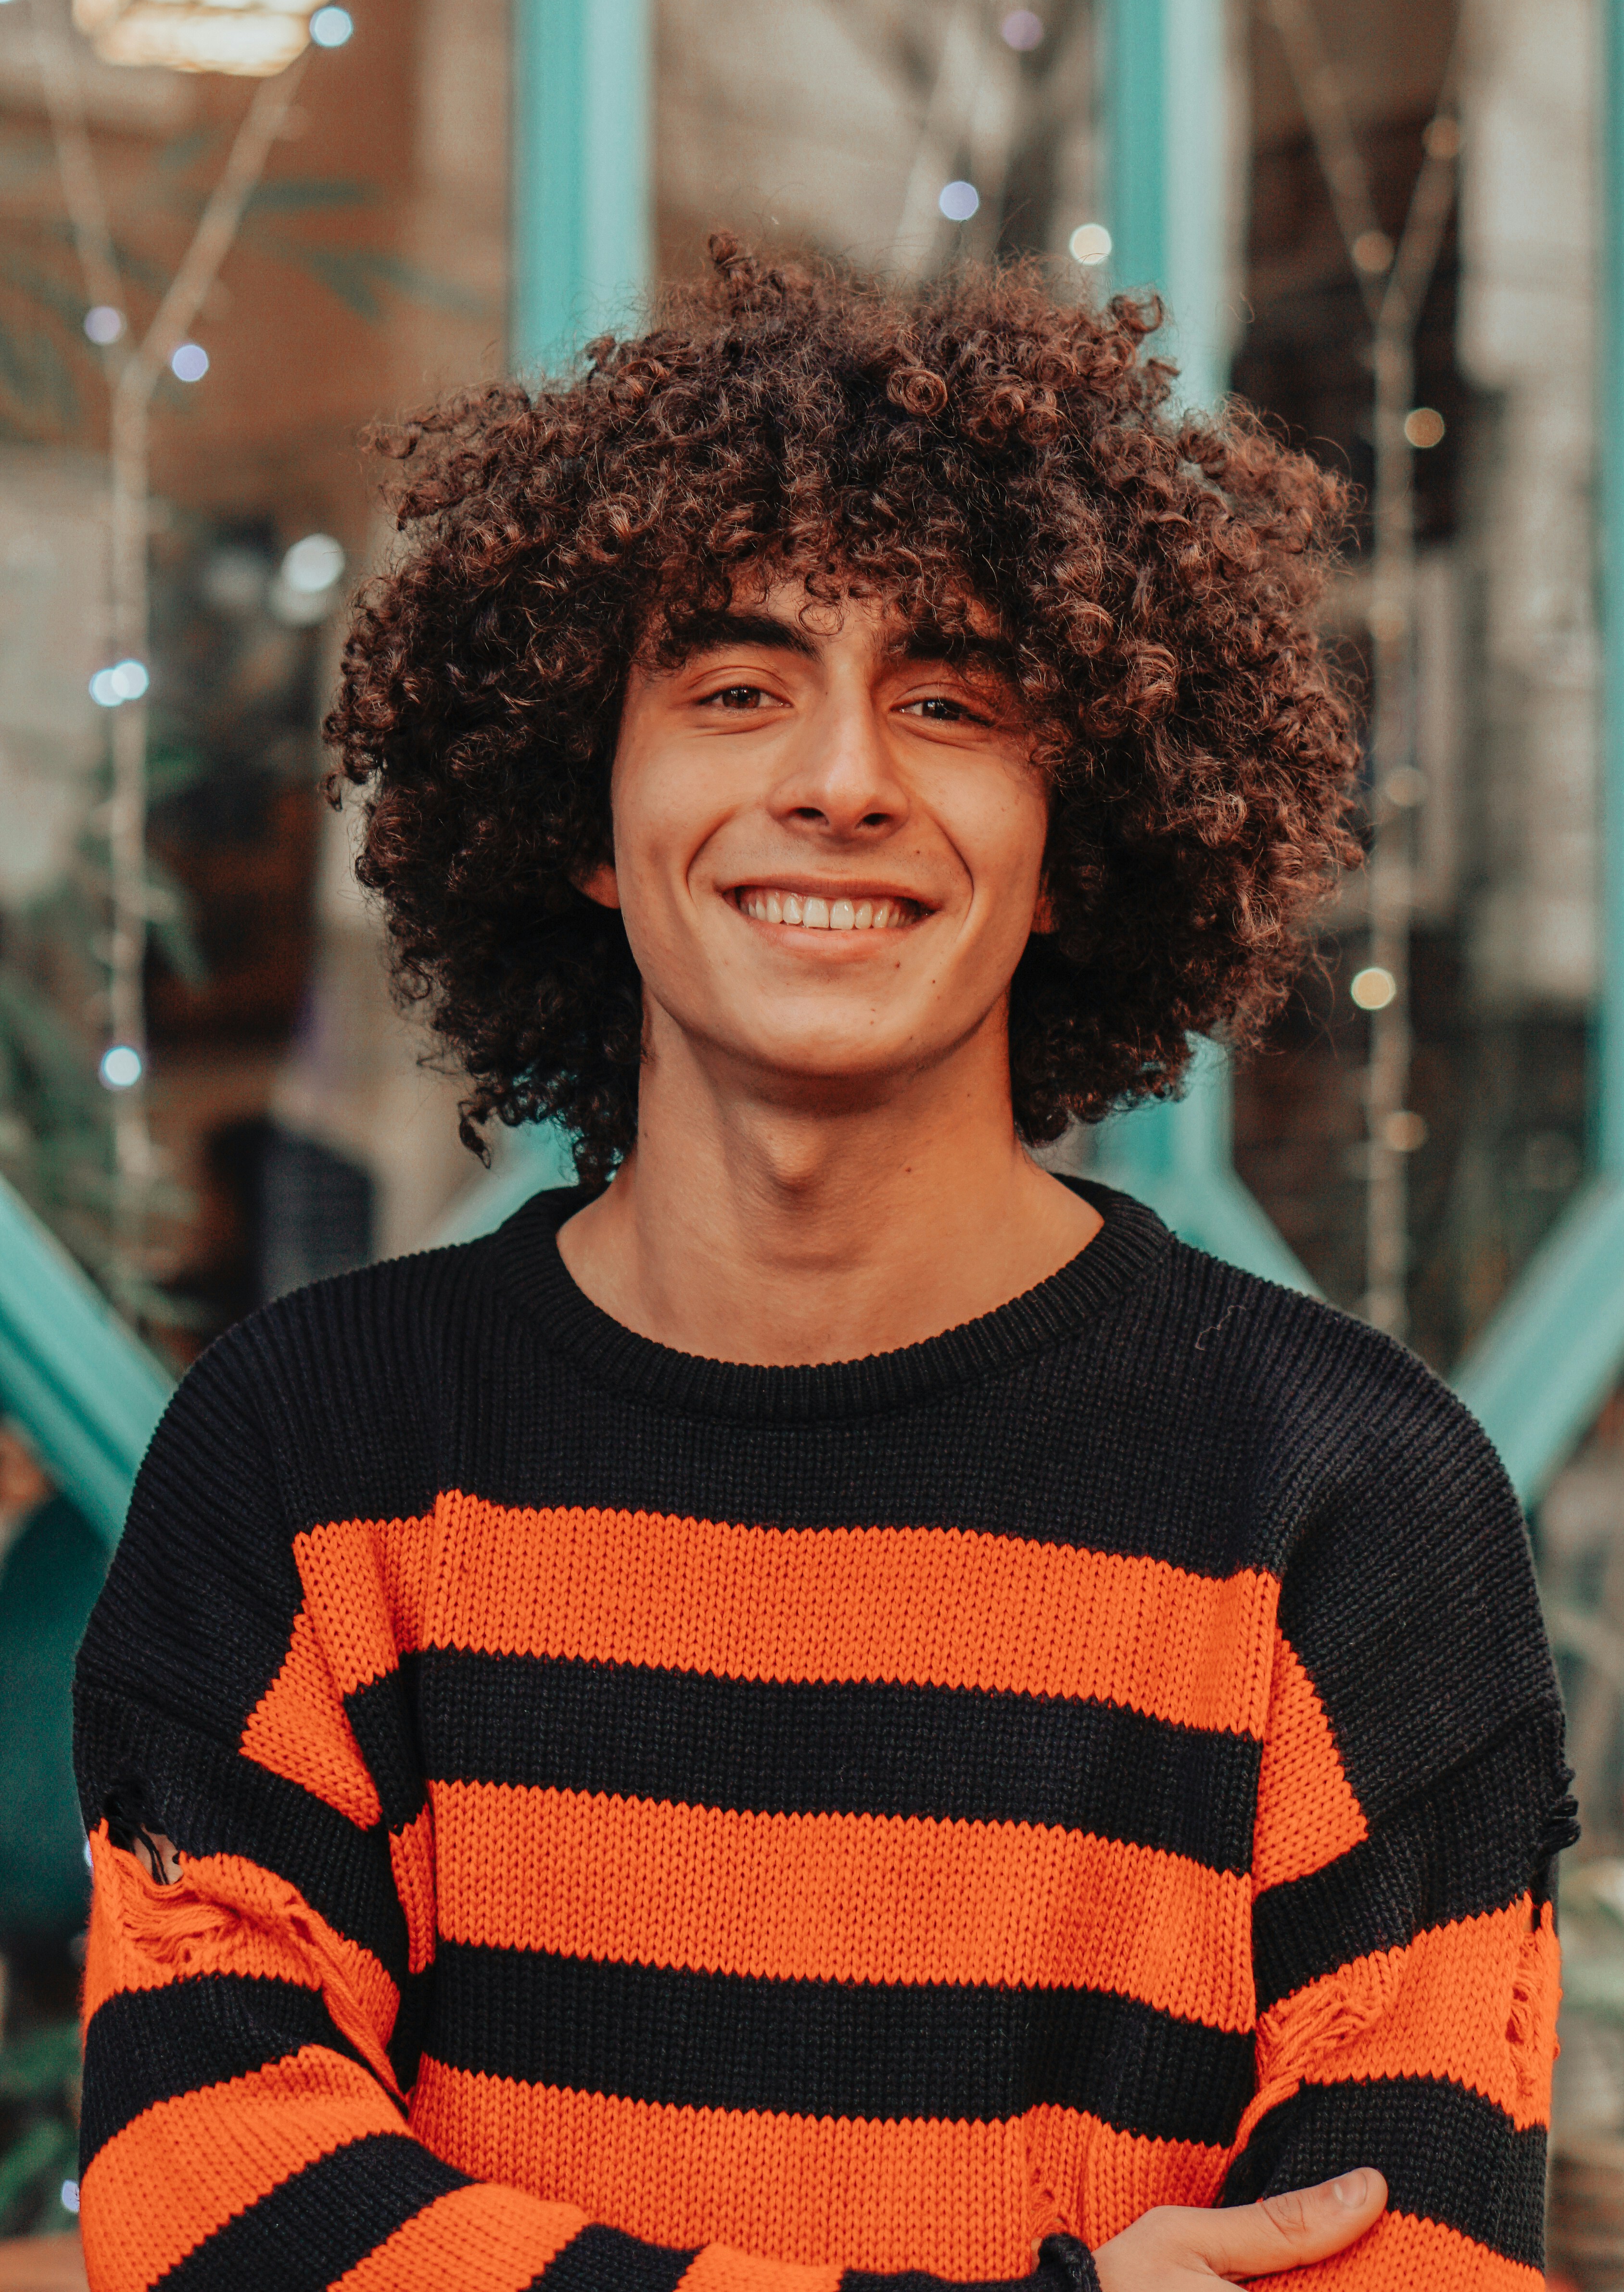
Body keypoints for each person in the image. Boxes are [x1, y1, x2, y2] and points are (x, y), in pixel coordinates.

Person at [74, 241, 1571, 2292]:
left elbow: (1408, 2261)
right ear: (586, 816)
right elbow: (209, 2200)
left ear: (1078, 834)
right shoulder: (313, 1458)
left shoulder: (1344, 1502)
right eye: (734, 688)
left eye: (949, 702)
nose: (841, 779)